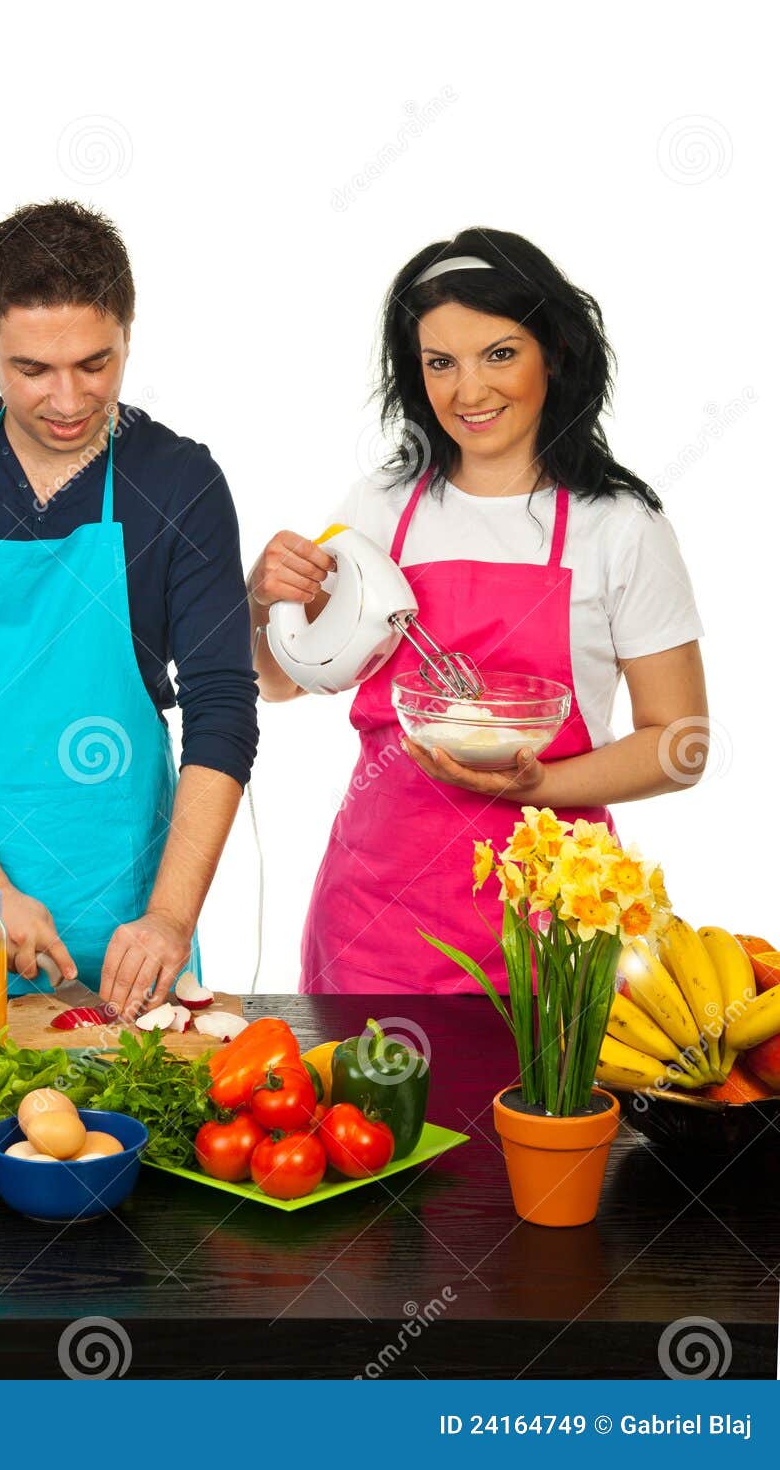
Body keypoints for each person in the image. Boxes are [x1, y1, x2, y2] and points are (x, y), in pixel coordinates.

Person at [249, 229, 708, 994]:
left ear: (553, 352)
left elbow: (680, 745)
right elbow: (283, 682)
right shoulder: (379, 507)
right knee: (362, 1079)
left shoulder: (618, 526)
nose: (468, 392)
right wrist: (263, 599)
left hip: (553, 914)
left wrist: (534, 788)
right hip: (375, 914)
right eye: (440, 363)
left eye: (498, 354)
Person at [0, 199, 257, 1019]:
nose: (68, 400)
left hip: (126, 922)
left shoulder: (178, 481)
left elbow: (223, 709)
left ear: (128, 334)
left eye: (95, 363)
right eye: (33, 369)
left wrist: (169, 919)